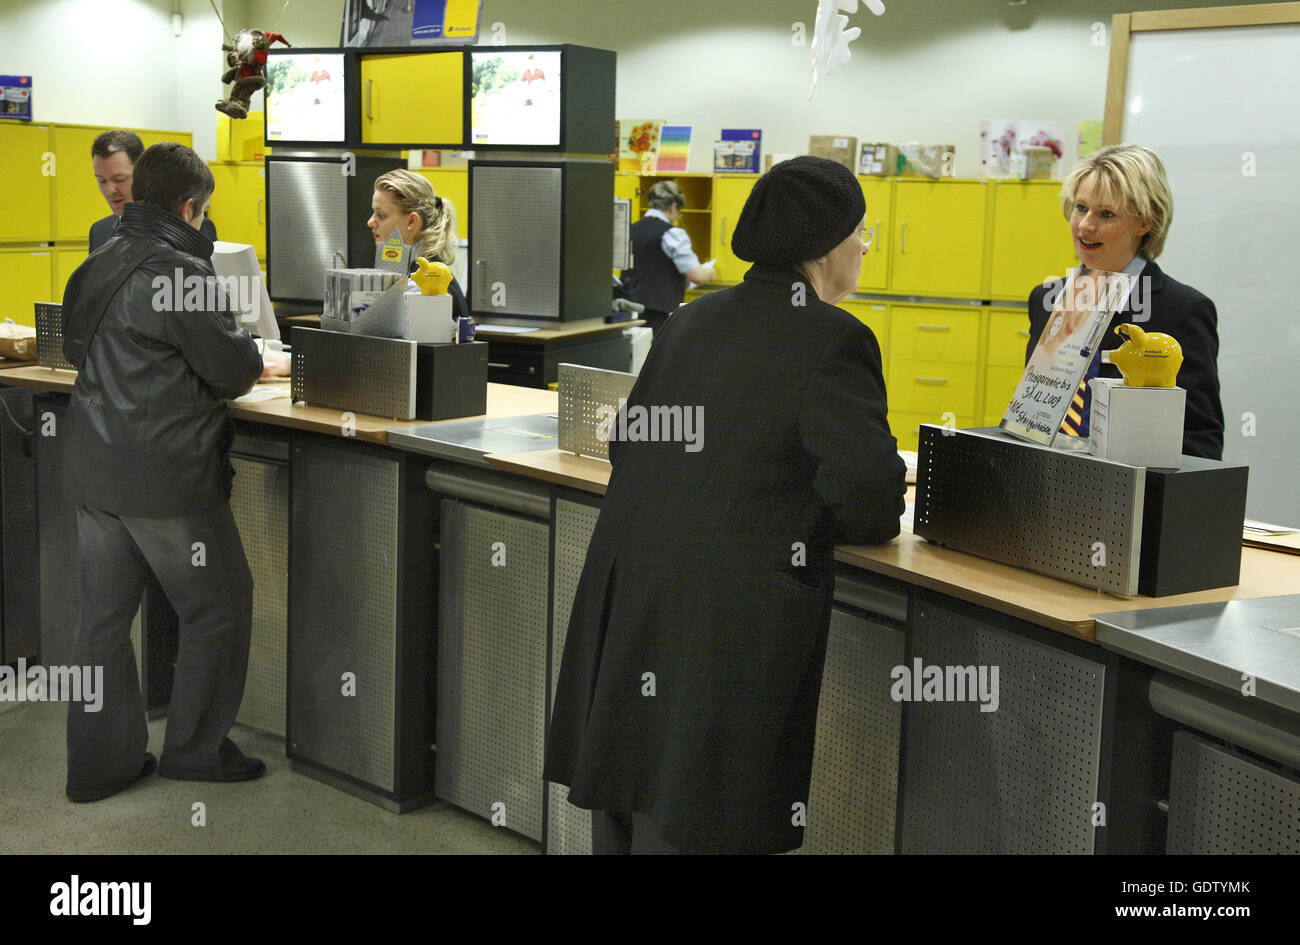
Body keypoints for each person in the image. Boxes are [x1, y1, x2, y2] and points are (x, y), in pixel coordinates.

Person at [545, 156, 906, 854]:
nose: (865, 246)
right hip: (727, 623)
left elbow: (630, 445)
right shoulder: (835, 338)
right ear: (826, 241)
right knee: (706, 819)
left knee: (629, 808)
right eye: (862, 232)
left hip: (634, 598)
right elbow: (869, 502)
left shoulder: (687, 320)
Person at [61, 142, 265, 802]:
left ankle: (100, 766)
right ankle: (196, 750)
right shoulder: (183, 272)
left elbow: (74, 347)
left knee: (100, 623)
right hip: (166, 479)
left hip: (94, 473)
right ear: (188, 207)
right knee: (218, 606)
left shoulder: (96, 261)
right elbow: (235, 370)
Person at [1026, 143, 1224, 459]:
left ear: (1145, 222)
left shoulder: (1182, 310)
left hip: (1128, 497)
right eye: (1080, 208)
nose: (1086, 226)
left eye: (1106, 214)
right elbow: (1034, 413)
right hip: (1046, 487)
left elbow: (1199, 443)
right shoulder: (1045, 299)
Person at [90, 130, 217, 252]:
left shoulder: (196, 224)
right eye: (102, 181)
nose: (110, 190)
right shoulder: (99, 231)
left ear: (141, 172)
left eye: (119, 179)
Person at [367, 168, 469, 320]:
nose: (370, 222)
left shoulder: (421, 286)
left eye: (380, 215)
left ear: (412, 221)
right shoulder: (412, 273)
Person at [620, 180, 717, 334]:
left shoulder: (630, 229)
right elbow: (697, 276)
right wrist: (711, 272)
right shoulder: (672, 233)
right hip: (659, 314)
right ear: (673, 206)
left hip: (628, 310)